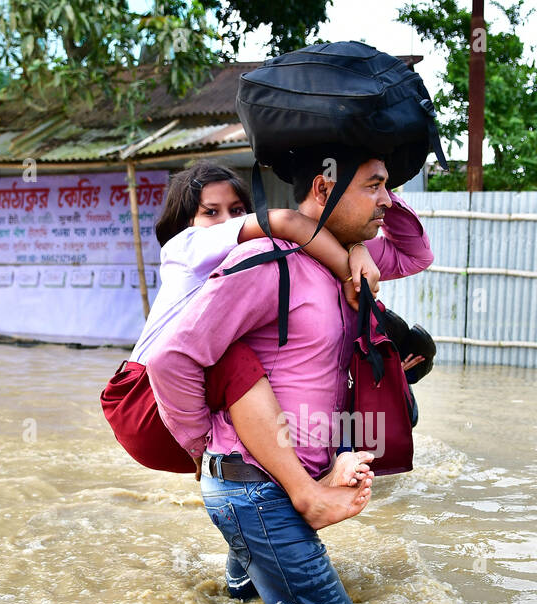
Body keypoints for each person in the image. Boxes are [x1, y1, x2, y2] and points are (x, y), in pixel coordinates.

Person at [147, 146, 434, 604]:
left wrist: (363, 238)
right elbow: (171, 358)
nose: (386, 199)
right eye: (373, 186)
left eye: (388, 187)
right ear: (323, 188)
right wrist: (201, 447)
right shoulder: (267, 262)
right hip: (257, 488)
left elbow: (415, 252)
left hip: (282, 482)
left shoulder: (345, 260)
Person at [101, 162, 385, 534]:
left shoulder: (253, 263)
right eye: (211, 212)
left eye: (236, 211)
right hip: (143, 399)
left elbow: (412, 253)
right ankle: (304, 493)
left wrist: (359, 247)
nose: (226, 221)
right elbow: (286, 221)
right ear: (185, 222)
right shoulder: (187, 246)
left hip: (179, 393)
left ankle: (242, 572)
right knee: (234, 359)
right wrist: (349, 269)